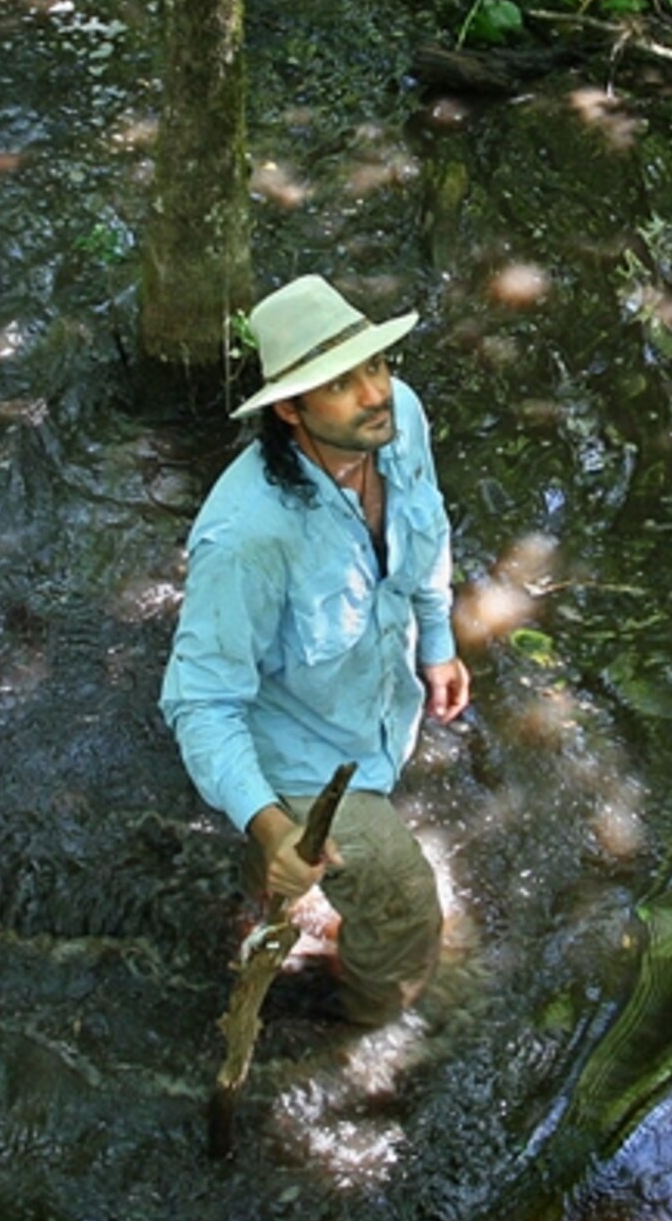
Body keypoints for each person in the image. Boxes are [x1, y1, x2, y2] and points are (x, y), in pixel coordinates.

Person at [161, 275, 472, 1025]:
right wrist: (274, 825)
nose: (376, 393)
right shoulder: (246, 537)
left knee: (295, 876)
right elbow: (200, 703)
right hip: (296, 757)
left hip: (376, 716)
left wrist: (437, 641)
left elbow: (428, 526)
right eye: (341, 383)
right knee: (401, 898)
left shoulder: (399, 422)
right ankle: (371, 1026)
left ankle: (267, 897)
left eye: (377, 365)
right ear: (290, 410)